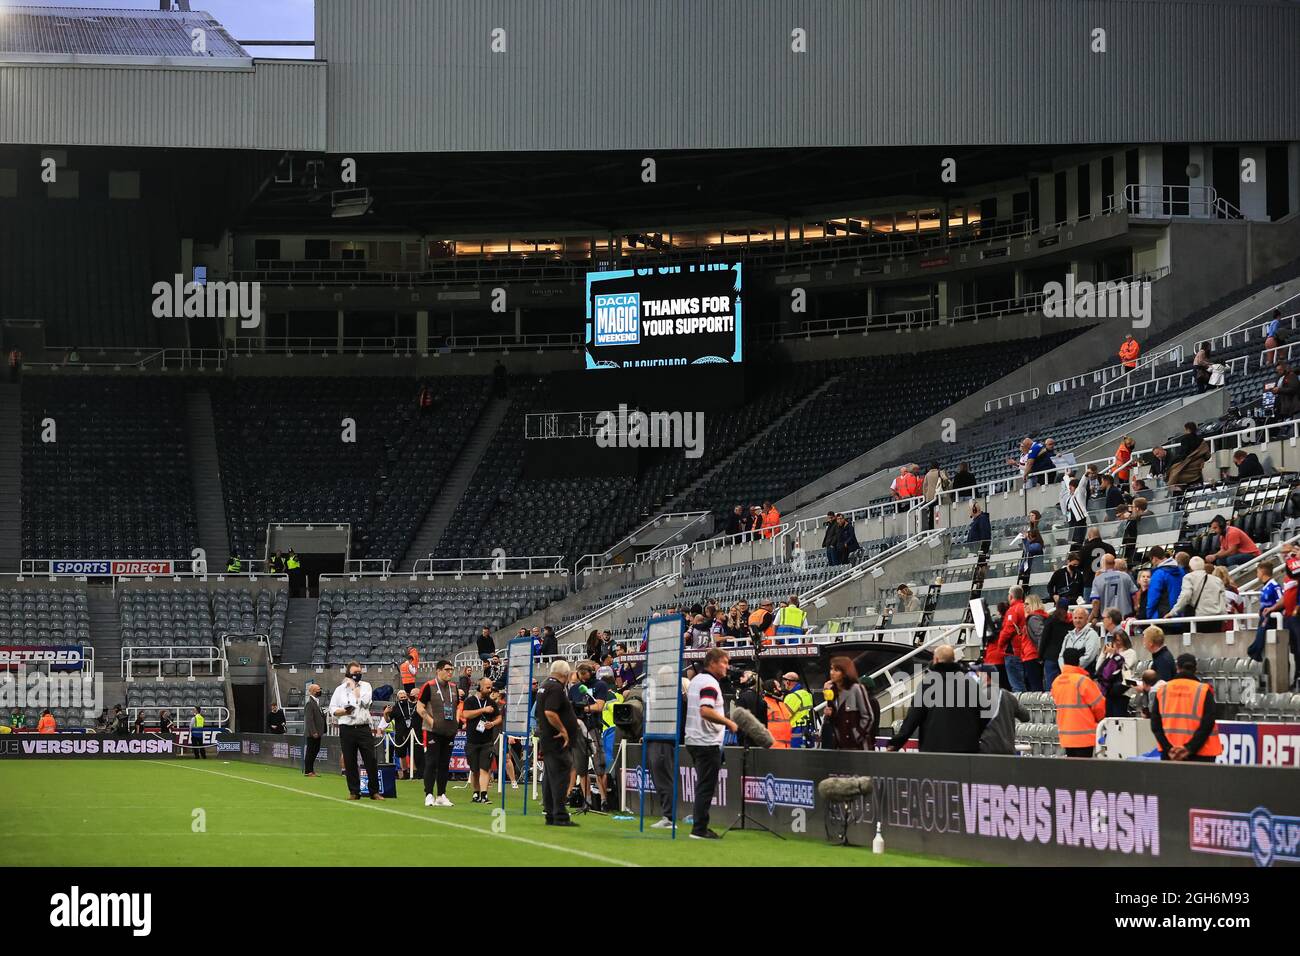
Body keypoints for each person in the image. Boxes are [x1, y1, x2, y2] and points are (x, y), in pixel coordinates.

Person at [887, 645, 986, 753]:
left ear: (936, 660)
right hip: (967, 749)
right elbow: (983, 715)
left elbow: (913, 718)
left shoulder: (928, 684)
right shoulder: (970, 684)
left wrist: (895, 744)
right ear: (954, 660)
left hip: (934, 750)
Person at [685, 648, 738, 840]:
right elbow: (705, 710)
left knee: (703, 785)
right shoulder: (709, 683)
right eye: (724, 662)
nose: (727, 666)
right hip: (706, 741)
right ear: (713, 663)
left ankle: (700, 826)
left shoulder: (696, 680)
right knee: (705, 787)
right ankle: (699, 829)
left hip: (693, 738)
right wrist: (729, 722)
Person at [1150, 654, 1222, 762]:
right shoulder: (1203, 690)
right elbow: (1207, 724)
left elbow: (1156, 725)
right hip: (1201, 753)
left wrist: (1169, 749)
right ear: (1195, 669)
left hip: (1170, 754)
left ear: (1177, 668)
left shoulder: (1162, 690)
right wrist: (1189, 748)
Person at [537, 659, 581, 827]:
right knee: (561, 777)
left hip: (548, 738)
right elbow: (550, 712)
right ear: (566, 674)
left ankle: (551, 814)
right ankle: (560, 815)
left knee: (550, 777)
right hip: (557, 741)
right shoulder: (556, 688)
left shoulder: (545, 685)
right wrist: (563, 730)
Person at [331, 663, 380, 798]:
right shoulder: (339, 690)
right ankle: (354, 791)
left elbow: (364, 702)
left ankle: (374, 791)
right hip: (347, 728)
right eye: (355, 672)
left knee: (370, 759)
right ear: (348, 673)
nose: (357, 674)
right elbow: (332, 708)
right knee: (350, 760)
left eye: (359, 671)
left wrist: (353, 688)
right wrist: (342, 711)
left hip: (363, 727)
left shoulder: (366, 686)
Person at [569, 661, 611, 812]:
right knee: (581, 767)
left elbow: (599, 706)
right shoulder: (574, 689)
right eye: (580, 677)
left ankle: (604, 800)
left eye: (585, 675)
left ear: (591, 672)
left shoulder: (600, 686)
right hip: (577, 729)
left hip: (593, 728)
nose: (583, 679)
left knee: (599, 765)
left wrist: (583, 707)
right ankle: (587, 800)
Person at [417, 660, 459, 807]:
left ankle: (441, 794)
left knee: (444, 764)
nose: (450, 672)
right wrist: (430, 720)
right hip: (432, 731)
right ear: (438, 670)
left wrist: (457, 720)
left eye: (452, 670)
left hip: (449, 731)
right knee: (431, 762)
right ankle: (428, 794)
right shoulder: (429, 686)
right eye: (447, 669)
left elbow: (457, 706)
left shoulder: (454, 687)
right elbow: (419, 707)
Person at [1051, 647, 1106, 757]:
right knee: (1084, 771)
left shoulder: (1056, 682)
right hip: (1084, 736)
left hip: (1066, 736)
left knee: (1073, 771)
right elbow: (1099, 706)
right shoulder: (1083, 681)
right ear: (1078, 661)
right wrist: (1099, 720)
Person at [822, 657, 877, 750]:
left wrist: (856, 736)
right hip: (839, 746)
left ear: (845, 672)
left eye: (836, 670)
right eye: (831, 669)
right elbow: (834, 719)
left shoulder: (856, 688)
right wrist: (829, 713)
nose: (832, 672)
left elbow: (868, 716)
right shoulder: (832, 690)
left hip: (857, 747)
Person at [462, 677, 502, 803]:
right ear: (480, 687)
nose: (490, 690)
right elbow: (466, 714)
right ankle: (476, 792)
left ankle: (484, 794)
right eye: (488, 687)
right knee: (474, 769)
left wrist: (493, 723)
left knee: (485, 768)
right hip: (472, 740)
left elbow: (499, 717)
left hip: (486, 741)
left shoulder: (491, 702)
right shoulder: (470, 700)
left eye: (491, 687)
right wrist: (483, 710)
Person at [978, 668, 1030, 755]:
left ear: (987, 677)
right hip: (1008, 750)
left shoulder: (979, 696)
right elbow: (1025, 717)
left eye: (979, 675)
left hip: (987, 749)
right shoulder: (1008, 696)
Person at [1168, 554, 1226, 629]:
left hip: (1198, 618)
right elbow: (1222, 599)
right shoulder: (1217, 580)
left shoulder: (1188, 578)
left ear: (1190, 567)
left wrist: (1173, 612)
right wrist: (1224, 615)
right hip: (1216, 618)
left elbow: (1186, 595)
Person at [1089, 553, 1138, 623]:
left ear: (1102, 564)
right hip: (1125, 616)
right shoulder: (1125, 576)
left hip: (1107, 618)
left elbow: (1095, 601)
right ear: (1114, 563)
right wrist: (1136, 610)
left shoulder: (1098, 579)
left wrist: (1096, 616)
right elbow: (1134, 595)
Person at [998, 586, 1030, 692]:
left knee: (1017, 686)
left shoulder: (1013, 610)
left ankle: (1019, 708)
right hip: (1026, 651)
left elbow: (1008, 630)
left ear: (1011, 596)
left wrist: (1000, 644)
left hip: (1014, 652)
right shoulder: (1027, 608)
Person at [1249, 561, 1282, 661]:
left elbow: (1281, 600)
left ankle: (1254, 651)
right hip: (1264, 616)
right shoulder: (1265, 587)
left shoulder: (1274, 586)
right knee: (1260, 632)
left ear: (1262, 572)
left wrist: (1272, 610)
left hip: (1271, 617)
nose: (1257, 574)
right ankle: (1255, 652)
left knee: (1262, 631)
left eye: (1257, 572)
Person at [1039, 599, 1072, 689]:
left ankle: (1051, 703)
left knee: (1051, 685)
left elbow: (1044, 639)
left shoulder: (1050, 620)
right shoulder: (1070, 622)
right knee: (1064, 685)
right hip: (1064, 657)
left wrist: (1040, 656)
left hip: (1050, 657)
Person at [1145, 546, 1185, 619]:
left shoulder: (1158, 574)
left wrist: (1149, 615)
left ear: (1154, 558)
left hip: (1163, 617)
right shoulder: (1181, 571)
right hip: (1181, 615)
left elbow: (1153, 598)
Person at [1061, 606, 1102, 675]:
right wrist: (1064, 669)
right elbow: (1061, 655)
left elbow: (1089, 657)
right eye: (1075, 618)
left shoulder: (1092, 634)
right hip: (1067, 674)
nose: (1077, 620)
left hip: (1085, 674)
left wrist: (1073, 670)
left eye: (1080, 618)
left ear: (1086, 619)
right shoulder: (1068, 635)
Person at [781, 671, 815, 748]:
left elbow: (784, 716)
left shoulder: (792, 697)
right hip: (807, 730)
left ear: (788, 682)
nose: (783, 684)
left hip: (795, 732)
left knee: (794, 757)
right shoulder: (807, 694)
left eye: (784, 681)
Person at [762, 679, 791, 749]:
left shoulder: (782, 704)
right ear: (774, 689)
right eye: (779, 687)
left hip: (786, 747)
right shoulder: (764, 704)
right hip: (771, 747)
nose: (781, 689)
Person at [303, 683, 325, 776]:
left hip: (318, 732)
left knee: (315, 750)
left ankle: (311, 769)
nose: (320, 691)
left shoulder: (316, 702)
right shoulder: (310, 703)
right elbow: (309, 719)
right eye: (318, 690)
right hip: (313, 733)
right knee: (311, 751)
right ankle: (308, 771)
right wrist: (314, 731)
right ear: (312, 691)